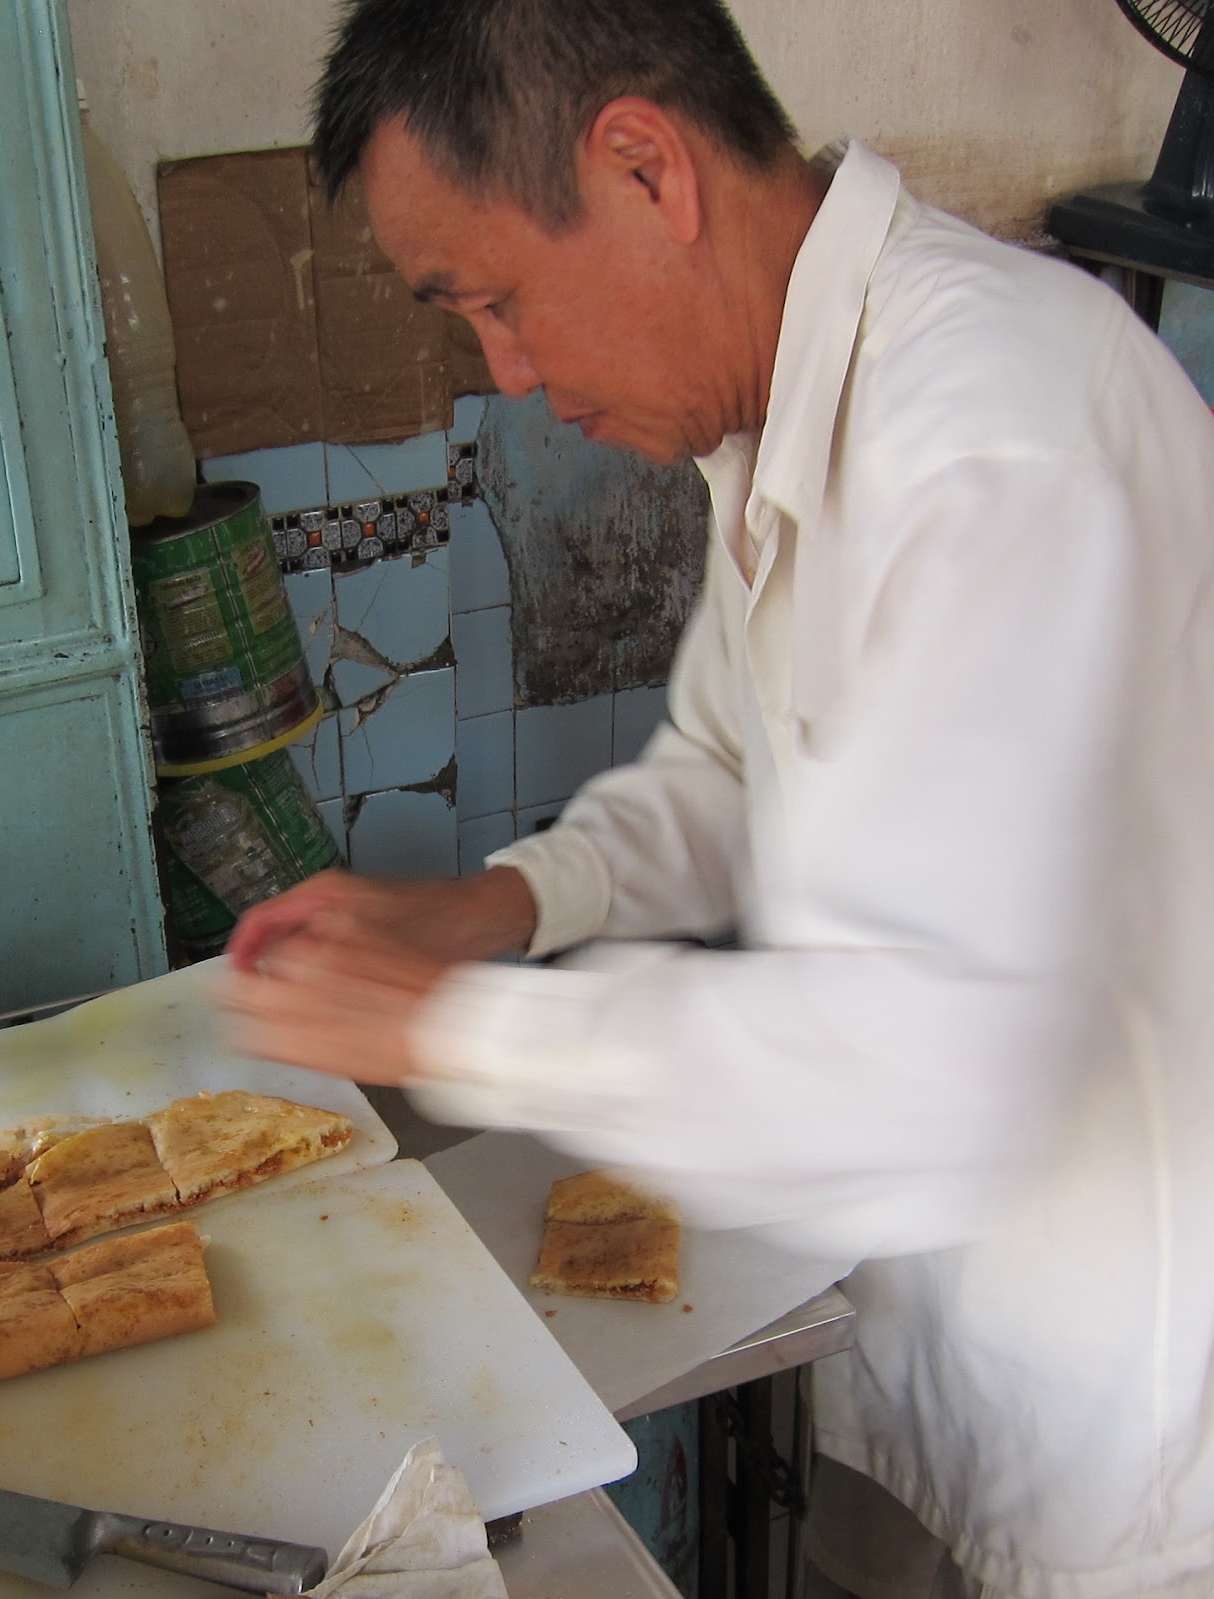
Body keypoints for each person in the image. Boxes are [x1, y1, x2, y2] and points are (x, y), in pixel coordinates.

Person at [218, 1, 1214, 1594]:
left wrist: (444, 1033)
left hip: (1133, 1414)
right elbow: (736, 768)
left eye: (499, 301)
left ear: (641, 166)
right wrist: (505, 905)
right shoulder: (789, 405)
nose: (514, 374)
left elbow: (939, 1070)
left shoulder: (993, 449)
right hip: (941, 1344)